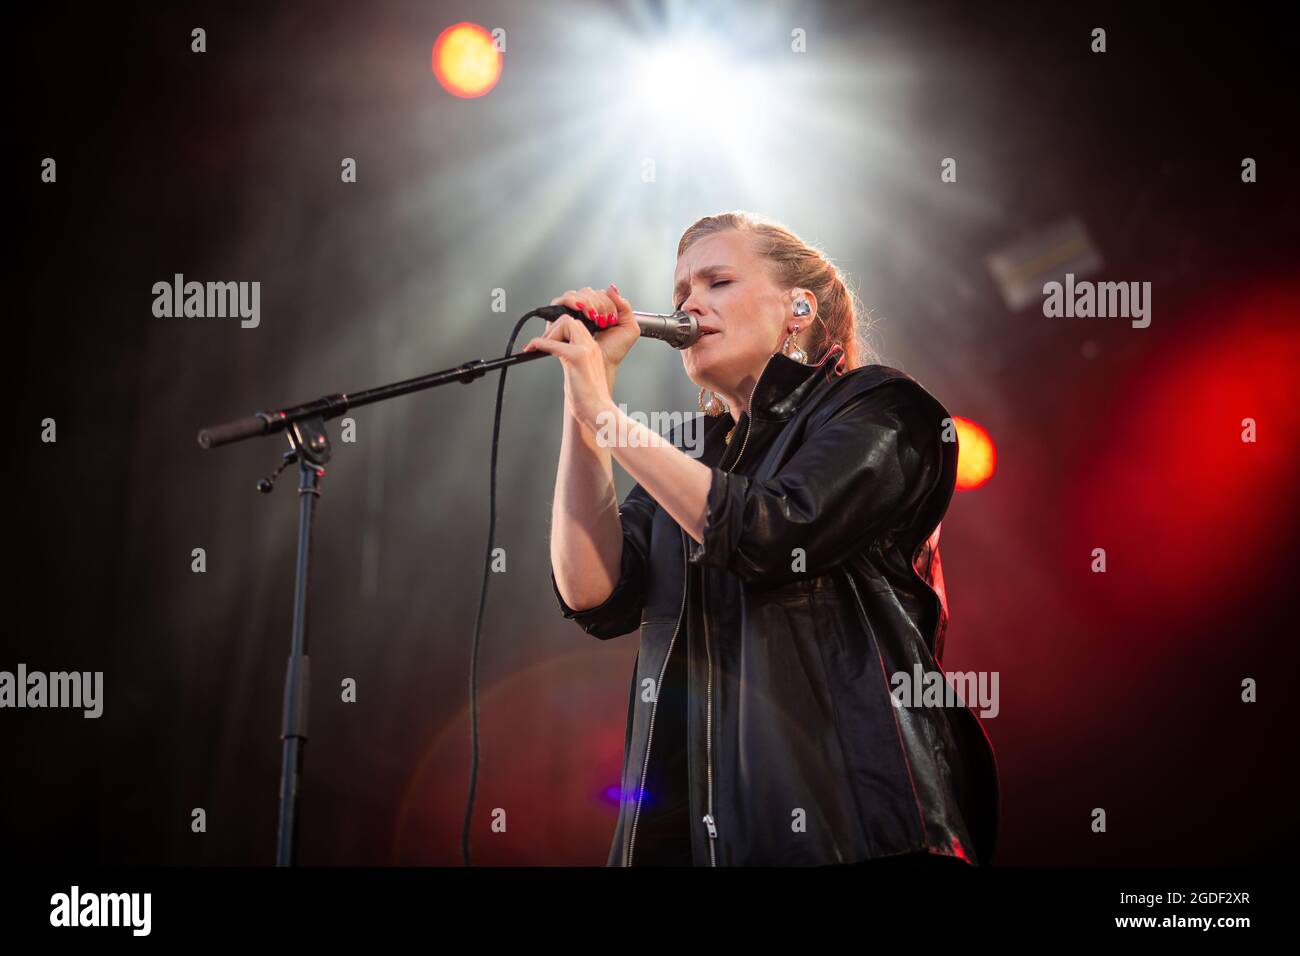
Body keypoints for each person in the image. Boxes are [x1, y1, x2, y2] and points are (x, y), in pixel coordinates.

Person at [525, 211, 1000, 867]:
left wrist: (608, 420)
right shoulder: (699, 463)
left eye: (717, 281)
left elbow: (770, 530)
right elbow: (591, 590)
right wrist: (588, 411)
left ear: (799, 307)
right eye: (681, 294)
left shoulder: (882, 409)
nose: (690, 304)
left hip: (866, 837)